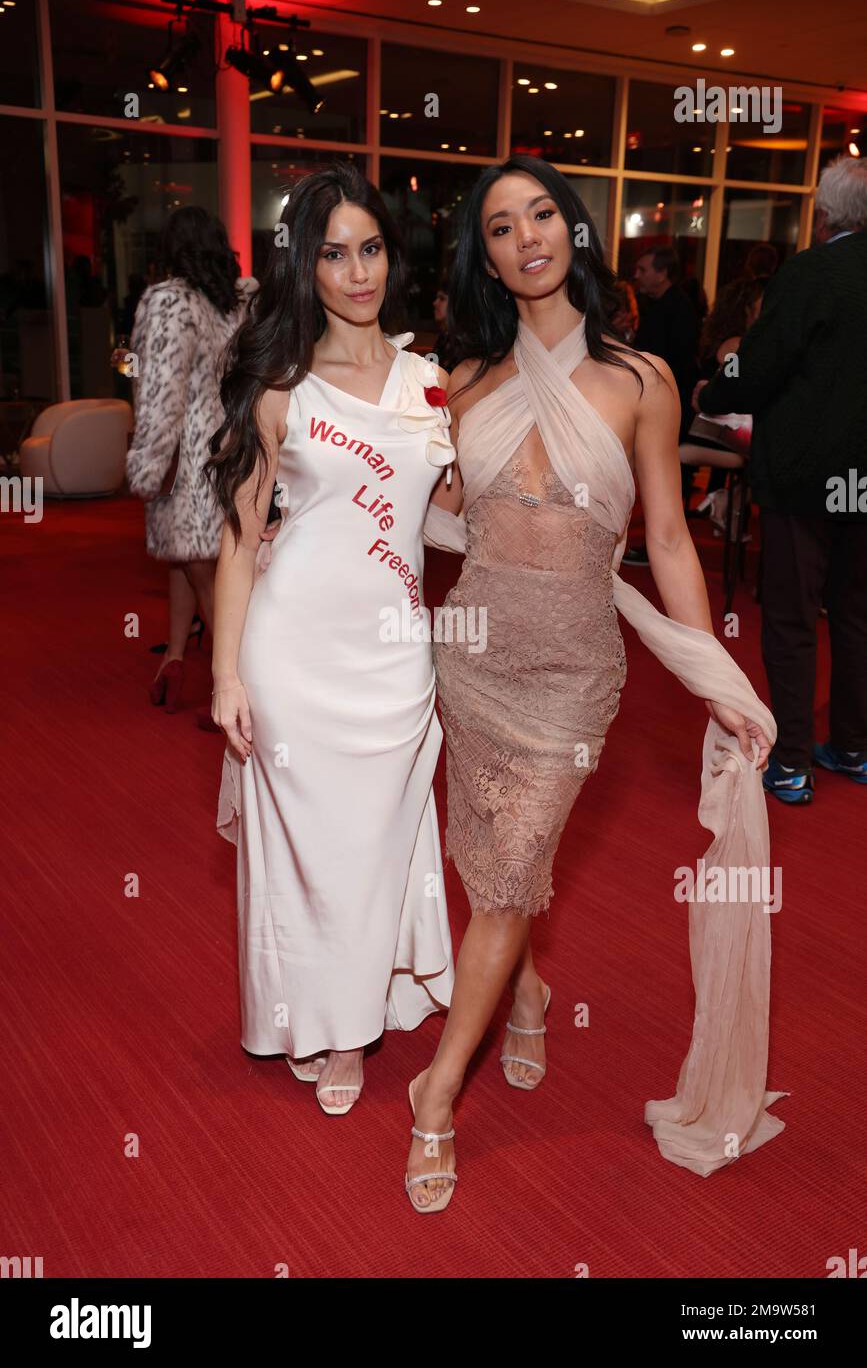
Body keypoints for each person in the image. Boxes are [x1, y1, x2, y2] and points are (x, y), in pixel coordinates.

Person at [411, 154, 779, 1211]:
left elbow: (666, 537)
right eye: (497, 227)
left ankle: (437, 1098)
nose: (524, 237)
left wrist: (712, 671)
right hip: (469, 655)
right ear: (481, 254)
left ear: (574, 229)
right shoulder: (468, 376)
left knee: (515, 860)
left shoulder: (642, 381)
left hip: (574, 674)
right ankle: (524, 989)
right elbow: (434, 514)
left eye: (541, 215)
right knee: (491, 871)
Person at [207, 163, 456, 1115]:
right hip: (293, 653)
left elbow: (451, 515)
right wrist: (226, 674)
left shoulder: (430, 383)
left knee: (372, 847)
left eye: (372, 249)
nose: (358, 273)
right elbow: (238, 535)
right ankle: (336, 1030)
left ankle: (353, 1006)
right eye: (333, 254)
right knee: (307, 854)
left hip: (395, 651)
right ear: (303, 267)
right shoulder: (279, 383)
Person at [697, 155, 867, 805]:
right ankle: (851, 746)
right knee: (855, 613)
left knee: (793, 617)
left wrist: (712, 392)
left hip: (804, 475)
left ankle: (792, 760)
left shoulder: (809, 273)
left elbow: (759, 366)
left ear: (822, 214)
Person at [126, 207, 256, 717]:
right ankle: (176, 659)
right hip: (232, 448)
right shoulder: (236, 301)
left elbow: (162, 395)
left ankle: (237, 684)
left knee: (206, 574)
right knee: (187, 560)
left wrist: (146, 464)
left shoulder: (170, 303)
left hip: (188, 460)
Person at [623, 246, 700, 563]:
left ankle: (663, 543)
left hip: (671, 403)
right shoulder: (656, 305)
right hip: (659, 399)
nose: (637, 275)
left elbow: (675, 362)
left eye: (643, 269)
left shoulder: (678, 309)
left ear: (662, 272)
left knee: (667, 473)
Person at [687, 275, 766, 533]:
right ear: (747, 309)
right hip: (711, 429)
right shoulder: (736, 344)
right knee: (775, 454)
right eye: (762, 305)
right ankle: (731, 500)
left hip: (713, 425)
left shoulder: (729, 340)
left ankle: (730, 499)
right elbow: (731, 395)